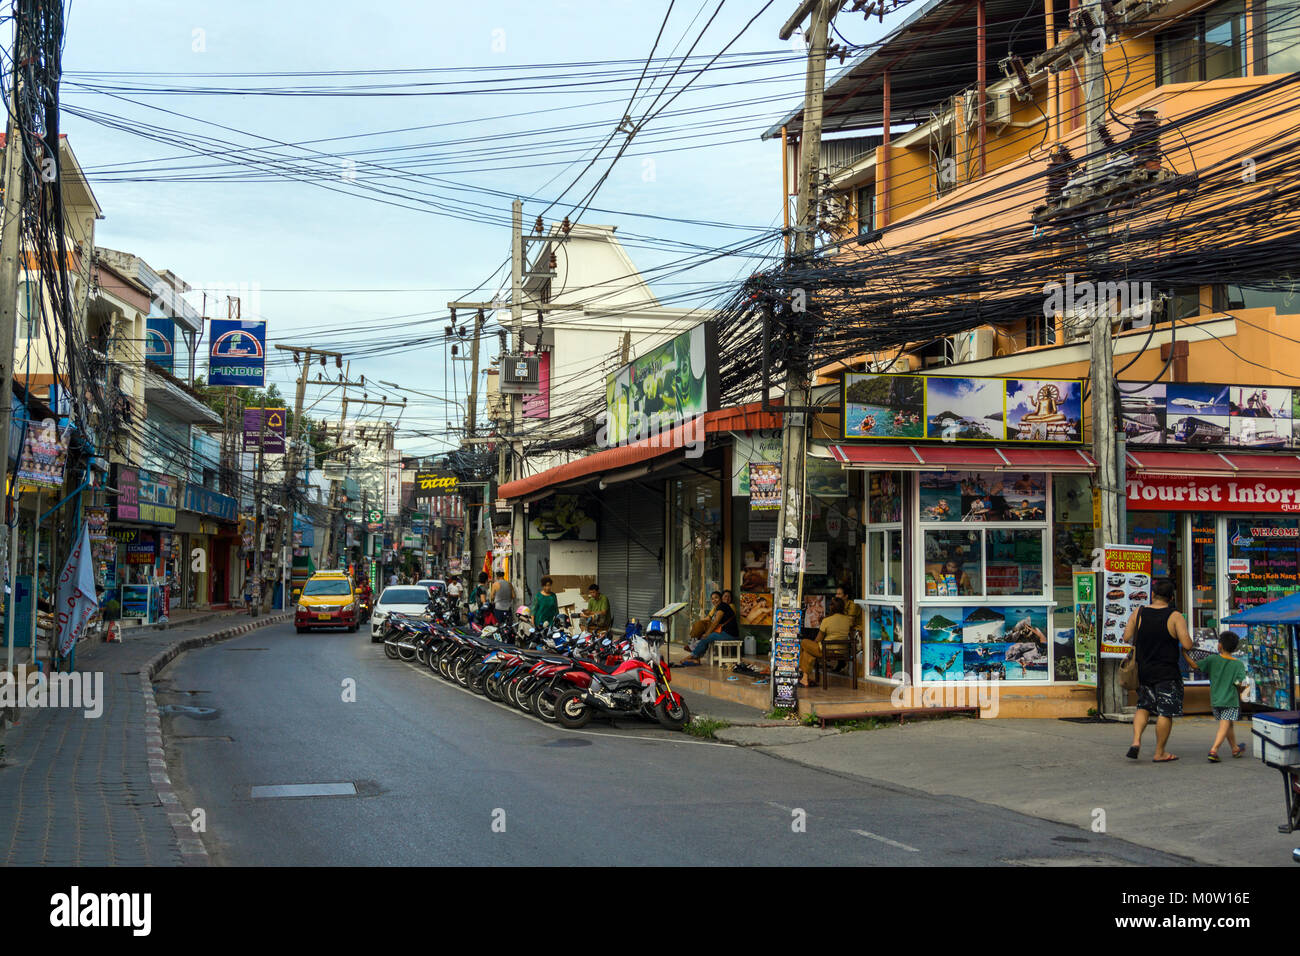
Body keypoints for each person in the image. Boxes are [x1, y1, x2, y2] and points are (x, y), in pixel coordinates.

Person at [1124, 576, 1193, 762]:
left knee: (1143, 706)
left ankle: (1136, 741)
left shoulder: (1139, 612)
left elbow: (1126, 637)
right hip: (1167, 672)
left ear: (1153, 594)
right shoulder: (1175, 616)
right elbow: (1187, 644)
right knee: (1165, 711)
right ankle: (1160, 752)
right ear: (1171, 597)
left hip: (1143, 670)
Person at [1185, 631, 1248, 762]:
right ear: (1234, 648)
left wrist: (1184, 654)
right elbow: (1240, 683)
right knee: (1225, 725)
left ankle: (1235, 748)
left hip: (1215, 700)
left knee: (1228, 724)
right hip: (1230, 700)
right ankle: (1214, 750)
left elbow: (1194, 665)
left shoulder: (1212, 659)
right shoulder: (1238, 664)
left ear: (1220, 646)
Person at [800, 597, 853, 687]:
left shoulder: (827, 620)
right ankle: (804, 678)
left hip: (826, 650)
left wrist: (812, 645)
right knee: (808, 651)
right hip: (843, 651)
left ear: (831, 607)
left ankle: (802, 672)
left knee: (804, 642)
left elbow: (818, 639)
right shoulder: (848, 620)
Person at [681, 591, 739, 664]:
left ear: (720, 598)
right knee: (705, 638)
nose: (714, 600)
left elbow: (716, 622)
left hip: (730, 635)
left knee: (706, 637)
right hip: (725, 633)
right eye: (712, 599)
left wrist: (707, 633)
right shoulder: (718, 607)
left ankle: (692, 656)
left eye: (716, 598)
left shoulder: (722, 606)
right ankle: (696, 658)